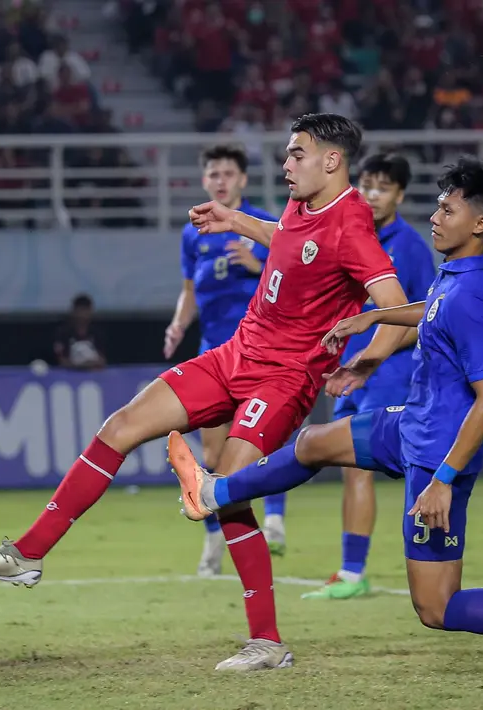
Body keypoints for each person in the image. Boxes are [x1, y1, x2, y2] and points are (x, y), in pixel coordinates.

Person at [0, 113, 411, 671]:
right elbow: (290, 241)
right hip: (235, 353)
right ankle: (27, 554)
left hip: (285, 378)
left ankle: (267, 643)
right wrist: (237, 220)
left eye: (296, 153)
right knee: (120, 427)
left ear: (331, 160)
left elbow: (396, 307)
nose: (285, 163)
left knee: (226, 491)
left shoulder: (353, 225)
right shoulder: (301, 202)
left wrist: (366, 360)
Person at [167, 156, 483, 678]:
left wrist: (442, 481)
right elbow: (433, 307)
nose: (435, 217)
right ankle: (213, 493)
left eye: (448, 210)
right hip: (413, 422)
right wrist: (374, 318)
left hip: (437, 454)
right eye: (438, 206)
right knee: (312, 443)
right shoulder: (462, 272)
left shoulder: (472, 299)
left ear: (480, 223)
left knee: (436, 607)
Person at [303, 153, 436, 600]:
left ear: (400, 194)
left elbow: (427, 316)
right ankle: (352, 571)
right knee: (350, 469)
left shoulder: (411, 247)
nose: (373, 195)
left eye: (384, 187)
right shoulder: (347, 234)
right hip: (350, 372)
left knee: (376, 468)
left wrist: (374, 355)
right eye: (368, 185)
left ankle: (367, 571)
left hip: (392, 374)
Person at [163, 143, 280, 575]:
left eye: (228, 173)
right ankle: (214, 540)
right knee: (212, 452)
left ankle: (275, 521)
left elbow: (292, 279)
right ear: (204, 180)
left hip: (261, 352)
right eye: (214, 174)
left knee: (260, 442)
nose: (221, 180)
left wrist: (255, 265)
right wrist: (178, 324)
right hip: (214, 353)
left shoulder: (263, 224)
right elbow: (189, 290)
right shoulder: (193, 232)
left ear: (243, 180)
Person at [54, 294, 106, 370]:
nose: (83, 315)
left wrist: (92, 364)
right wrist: (81, 366)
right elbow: (61, 361)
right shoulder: (63, 333)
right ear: (74, 311)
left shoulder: (97, 333)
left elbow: (102, 360)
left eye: (86, 310)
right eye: (80, 310)